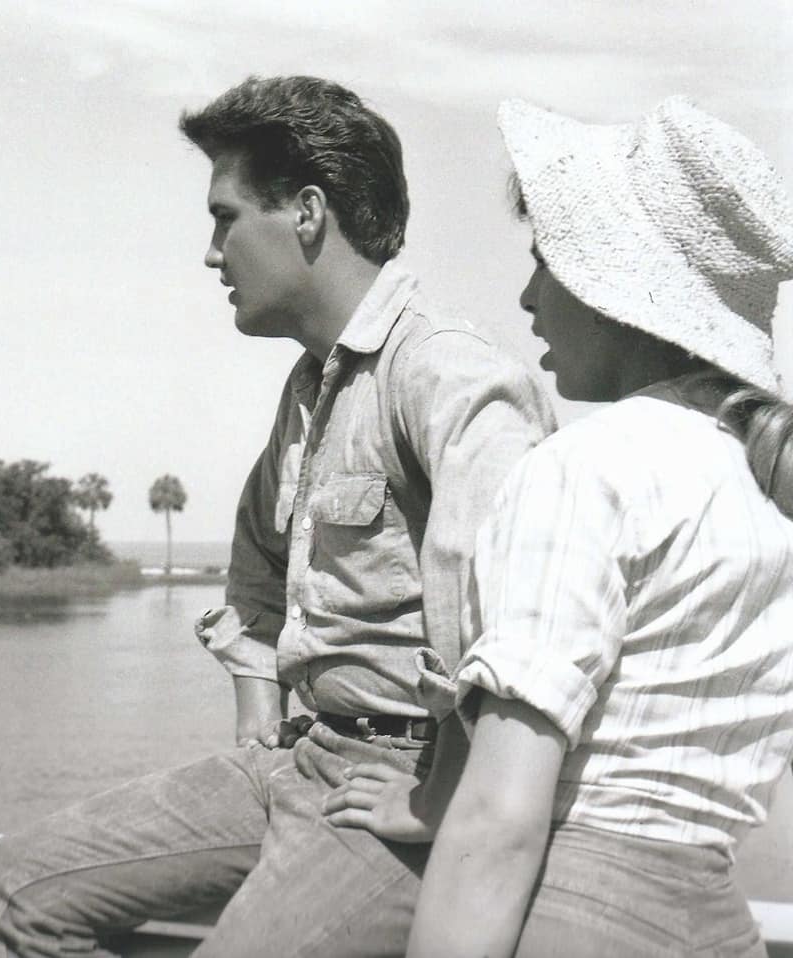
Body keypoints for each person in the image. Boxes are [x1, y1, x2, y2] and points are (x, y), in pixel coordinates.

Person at [0, 75, 554, 957]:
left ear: (306, 213)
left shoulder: (449, 377)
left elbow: (518, 628)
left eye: (225, 217)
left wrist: (443, 796)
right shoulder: (313, 383)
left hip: (403, 781)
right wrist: (259, 704)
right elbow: (257, 566)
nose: (211, 251)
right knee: (6, 893)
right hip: (298, 759)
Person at [322, 96, 793, 957]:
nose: (528, 296)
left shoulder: (586, 468)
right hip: (717, 924)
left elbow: (501, 819)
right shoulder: (763, 486)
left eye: (547, 262)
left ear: (617, 294)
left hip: (580, 920)